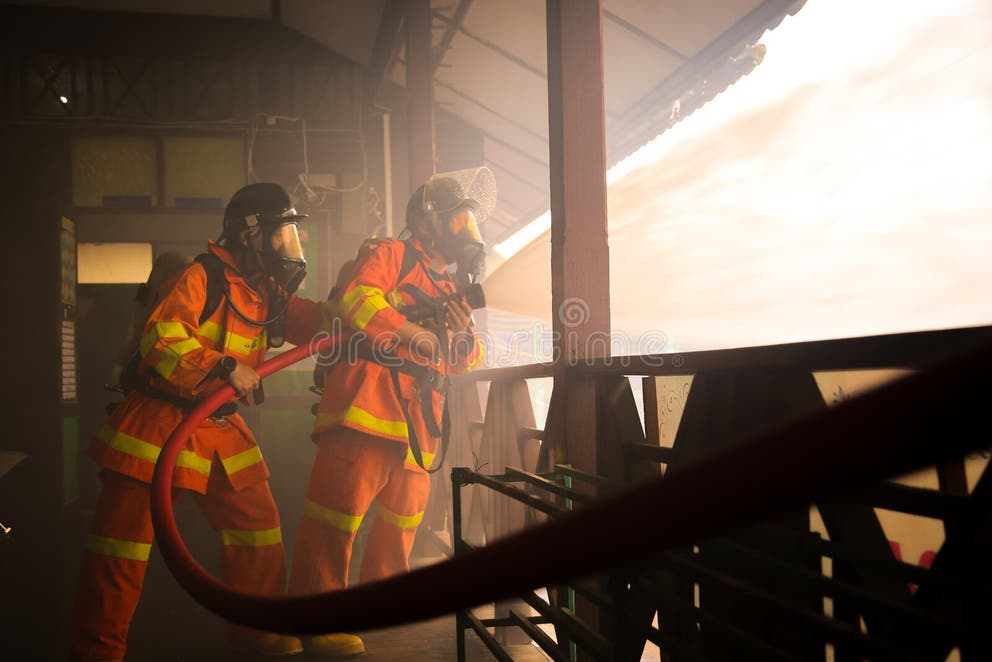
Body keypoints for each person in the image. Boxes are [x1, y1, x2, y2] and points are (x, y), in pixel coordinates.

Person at [72, 182, 313, 661]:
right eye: (280, 235)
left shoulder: (263, 291)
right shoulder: (201, 277)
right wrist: (225, 365)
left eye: (290, 237)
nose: (288, 248)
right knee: (121, 547)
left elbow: (314, 320)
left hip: (219, 427)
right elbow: (161, 340)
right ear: (249, 235)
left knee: (257, 527)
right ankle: (97, 652)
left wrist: (374, 321)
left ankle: (257, 630)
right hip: (159, 425)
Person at [282, 168, 494, 658]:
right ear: (427, 223)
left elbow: (468, 359)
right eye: (458, 220)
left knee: (402, 522)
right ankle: (318, 617)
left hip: (417, 423)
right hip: (366, 405)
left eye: (470, 222)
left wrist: (459, 335)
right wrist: (413, 332)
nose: (467, 231)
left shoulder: (451, 287)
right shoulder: (390, 255)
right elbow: (357, 298)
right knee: (335, 518)